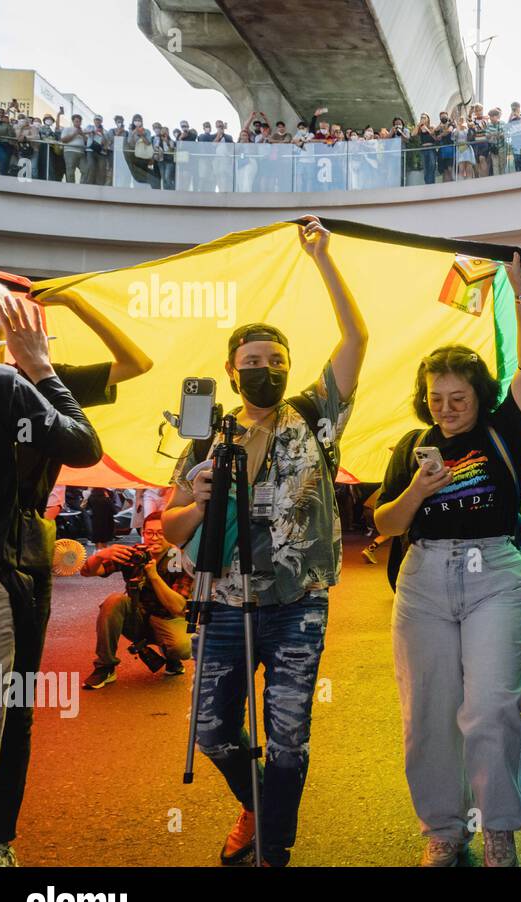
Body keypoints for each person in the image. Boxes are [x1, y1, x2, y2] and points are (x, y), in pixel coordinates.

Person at [162, 216, 367, 868]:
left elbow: (356, 337)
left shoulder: (316, 416)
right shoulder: (205, 438)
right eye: (252, 363)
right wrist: (195, 502)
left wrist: (324, 259)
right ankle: (257, 804)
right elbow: (170, 530)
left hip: (297, 605)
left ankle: (273, 847)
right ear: (230, 371)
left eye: (276, 362)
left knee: (288, 740)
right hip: (221, 606)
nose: (265, 370)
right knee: (212, 728)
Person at [373, 252, 521, 868]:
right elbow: (383, 523)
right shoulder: (410, 447)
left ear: (479, 395)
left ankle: (496, 825)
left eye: (458, 396)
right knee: (427, 711)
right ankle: (443, 829)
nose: (446, 407)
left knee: (492, 704)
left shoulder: (505, 430)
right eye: (435, 397)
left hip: (494, 574)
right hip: (422, 581)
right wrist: (418, 489)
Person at [0, 279, 150, 868]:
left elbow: (137, 362)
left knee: (15, 704)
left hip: (23, 556)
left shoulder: (45, 378)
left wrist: (72, 305)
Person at [0, 298, 102, 861]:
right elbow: (84, 446)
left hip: (19, 568)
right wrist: (40, 367)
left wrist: (43, 363)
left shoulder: (16, 382)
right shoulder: (4, 382)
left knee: (12, 710)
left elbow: (134, 366)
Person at [82, 512, 193, 689]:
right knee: (114, 601)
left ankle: (172, 656)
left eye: (161, 533)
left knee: (183, 647)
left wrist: (154, 576)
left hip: (168, 618)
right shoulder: (134, 554)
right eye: (149, 533)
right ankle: (105, 667)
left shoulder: (181, 559)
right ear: (143, 532)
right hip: (138, 615)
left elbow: (178, 607)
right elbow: (87, 571)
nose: (154, 538)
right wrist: (101, 555)